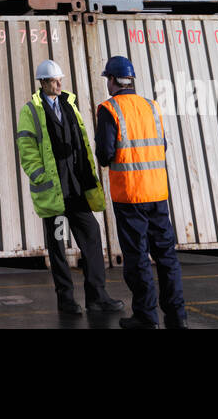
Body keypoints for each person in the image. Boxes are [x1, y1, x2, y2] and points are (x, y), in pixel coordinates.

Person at [16, 59, 124, 317]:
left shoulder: (69, 105)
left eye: (60, 79)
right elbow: (27, 150)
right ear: (42, 83)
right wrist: (40, 177)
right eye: (54, 81)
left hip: (75, 190)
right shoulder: (31, 111)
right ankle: (66, 301)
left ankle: (97, 298)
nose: (59, 84)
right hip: (54, 194)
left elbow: (81, 142)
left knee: (92, 236)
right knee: (59, 248)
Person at [95, 55, 188, 329]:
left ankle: (147, 317)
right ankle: (177, 317)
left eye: (108, 79)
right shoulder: (152, 106)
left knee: (137, 258)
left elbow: (105, 153)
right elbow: (163, 146)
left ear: (112, 80)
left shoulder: (109, 109)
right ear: (131, 80)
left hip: (130, 196)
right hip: (158, 193)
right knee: (167, 256)